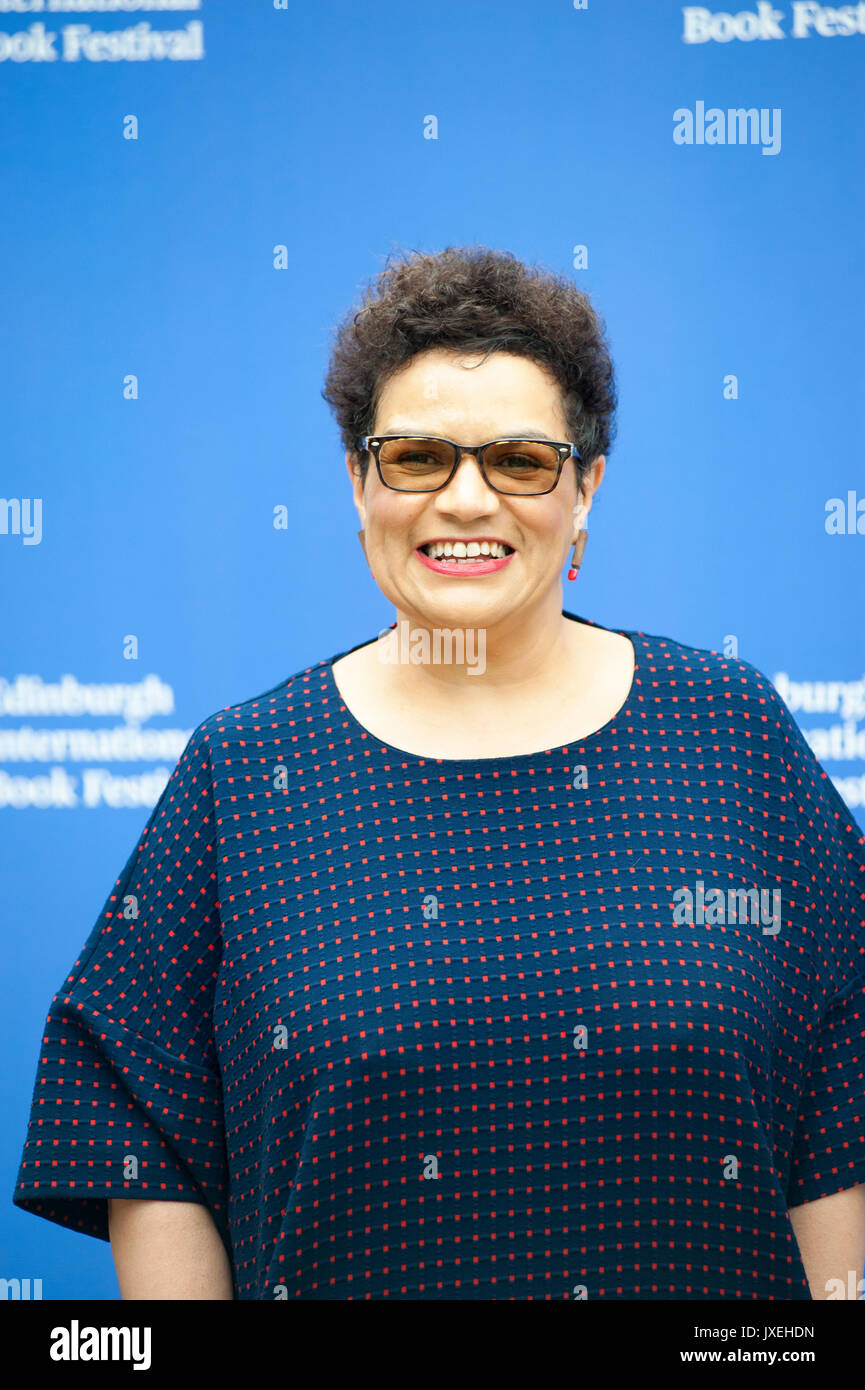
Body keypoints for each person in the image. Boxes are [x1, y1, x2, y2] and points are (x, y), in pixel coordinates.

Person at [13, 246, 865, 1301]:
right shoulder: (243, 774)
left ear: (586, 487)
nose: (466, 500)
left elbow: (842, 1104)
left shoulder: (732, 738)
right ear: (358, 484)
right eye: (417, 458)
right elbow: (137, 1127)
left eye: (519, 460)